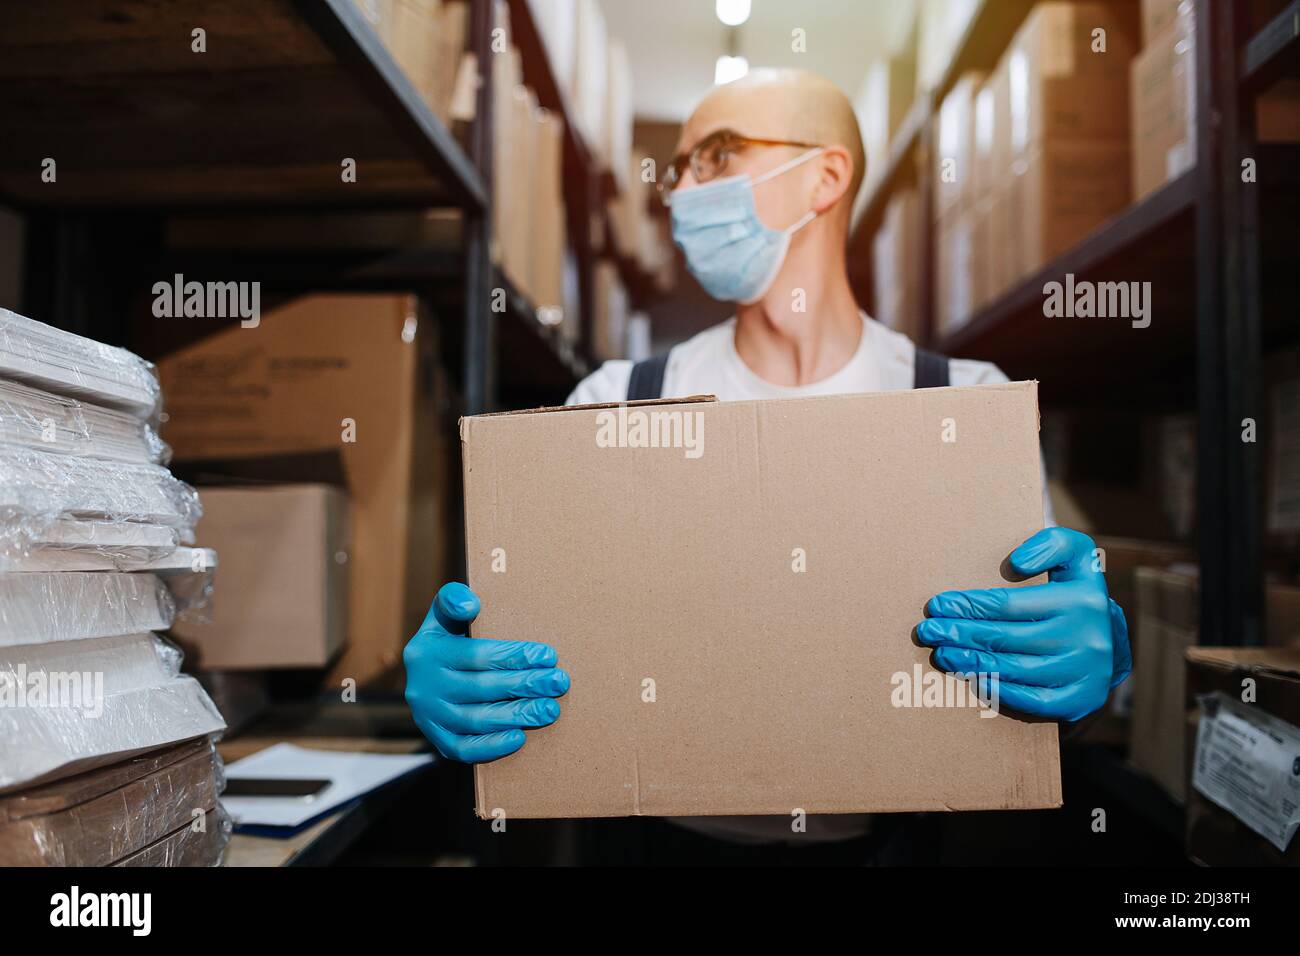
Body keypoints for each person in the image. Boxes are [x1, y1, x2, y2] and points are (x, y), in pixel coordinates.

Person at [404, 68, 1132, 858]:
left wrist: (1087, 668)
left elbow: (1041, 674)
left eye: (716, 155)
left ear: (825, 176)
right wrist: (462, 672)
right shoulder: (618, 402)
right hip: (663, 848)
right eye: (678, 169)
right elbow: (521, 625)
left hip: (906, 848)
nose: (682, 189)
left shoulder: (963, 404)